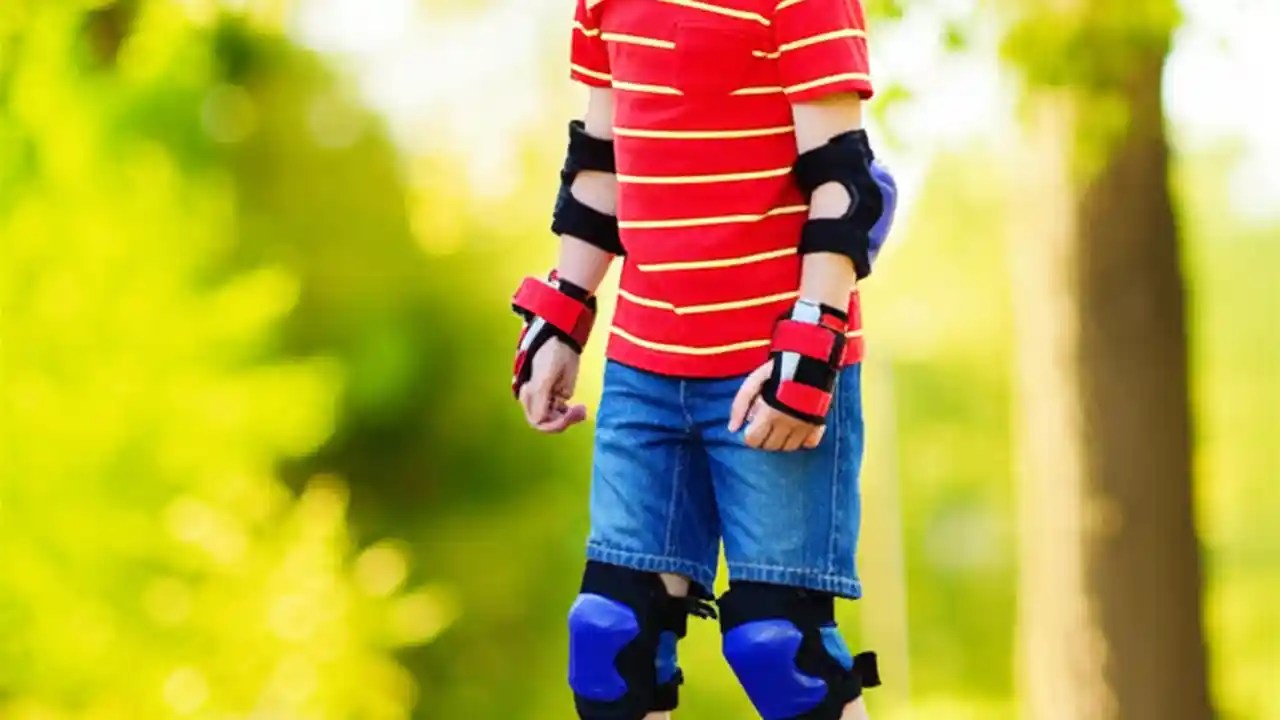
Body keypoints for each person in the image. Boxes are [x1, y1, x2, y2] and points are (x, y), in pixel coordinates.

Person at [510, 0, 897, 717]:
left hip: (768, 369)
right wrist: (563, 316)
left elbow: (845, 184)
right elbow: (601, 163)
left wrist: (812, 343)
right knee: (611, 641)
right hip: (644, 366)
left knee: (782, 650)